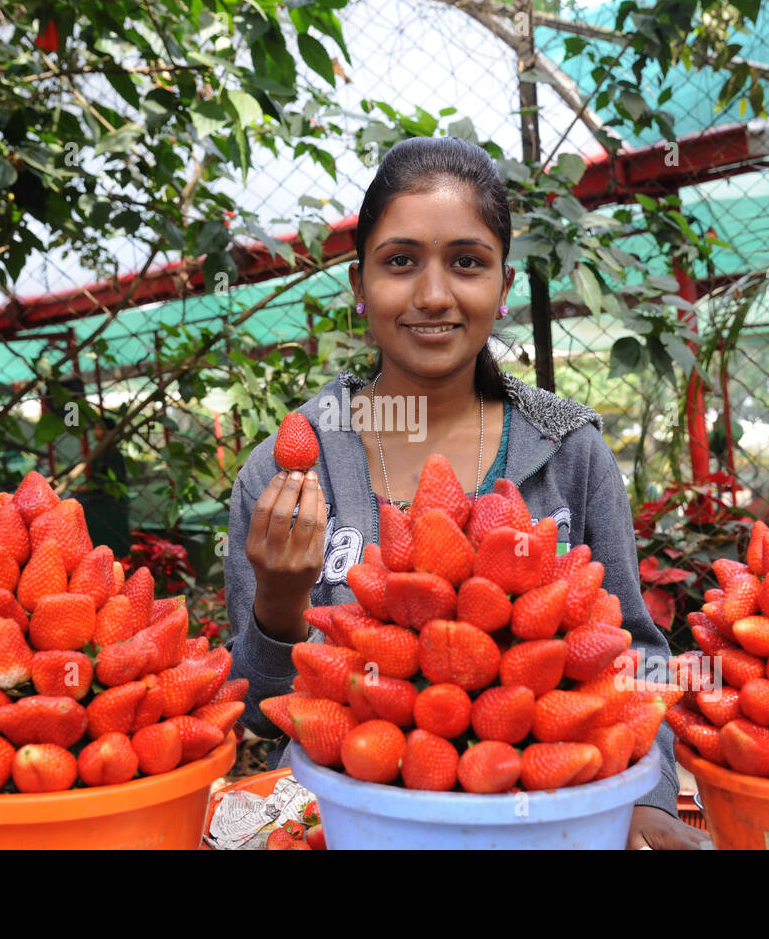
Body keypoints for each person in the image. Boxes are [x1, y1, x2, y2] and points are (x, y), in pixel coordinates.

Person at [225, 136, 707, 849]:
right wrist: (278, 604)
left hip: (548, 825)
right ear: (358, 286)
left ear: (503, 287)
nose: (433, 295)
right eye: (399, 262)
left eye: (467, 263)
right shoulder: (284, 474)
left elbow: (634, 658)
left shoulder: (570, 453)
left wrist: (652, 801)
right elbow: (266, 718)